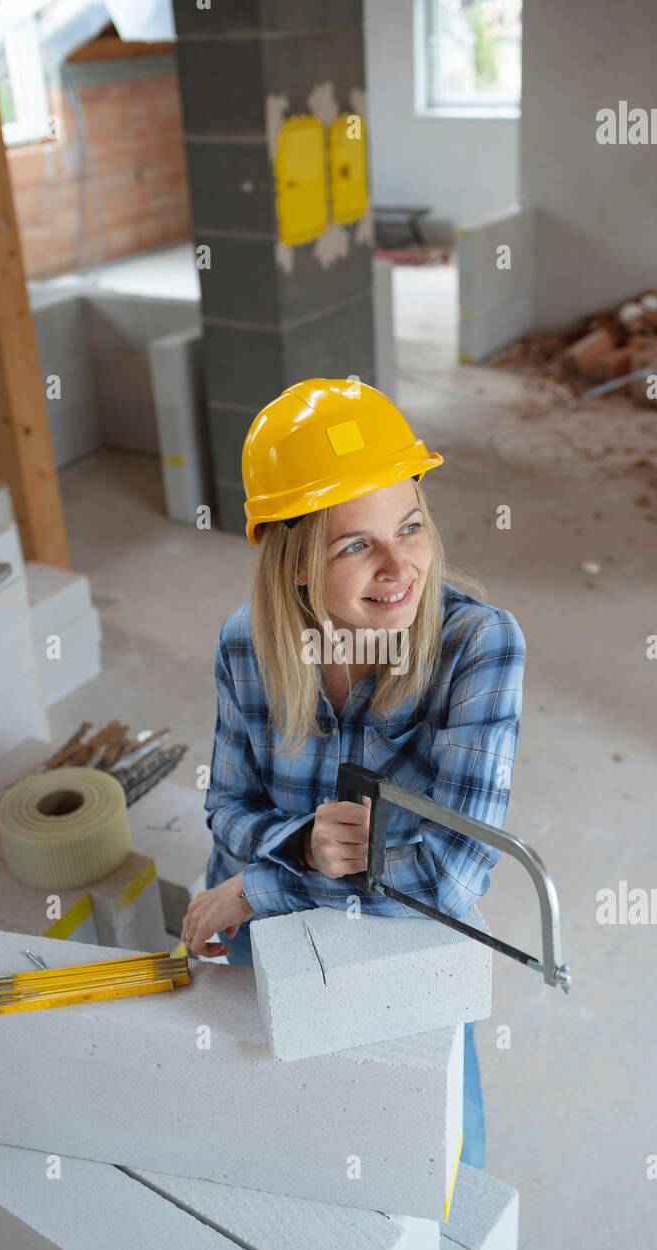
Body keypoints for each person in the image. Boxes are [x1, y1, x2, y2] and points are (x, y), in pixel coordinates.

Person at [181, 378, 526, 1168]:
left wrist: (262, 883)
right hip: (261, 925)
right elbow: (226, 807)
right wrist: (302, 845)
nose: (400, 566)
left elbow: (449, 876)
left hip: (398, 939)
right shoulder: (248, 644)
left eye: (410, 526)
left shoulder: (480, 647)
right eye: (355, 544)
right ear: (296, 564)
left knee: (443, 1162)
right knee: (264, 1137)